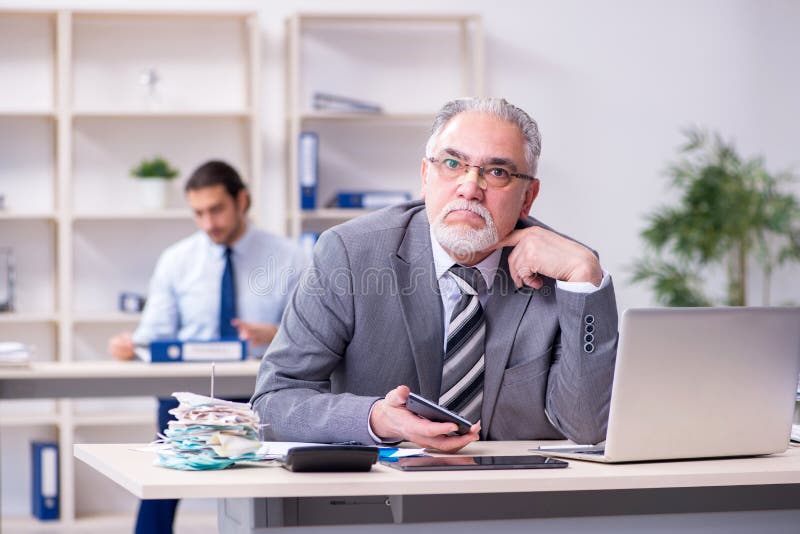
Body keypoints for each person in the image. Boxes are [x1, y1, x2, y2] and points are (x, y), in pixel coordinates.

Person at [252, 97, 618, 454]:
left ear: (528, 197)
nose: (470, 187)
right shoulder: (349, 254)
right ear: (426, 176)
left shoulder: (566, 272)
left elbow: (587, 427)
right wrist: (378, 418)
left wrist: (585, 278)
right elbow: (274, 401)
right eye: (452, 163)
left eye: (497, 172)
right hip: (378, 499)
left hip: (520, 500)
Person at [108, 160, 307, 534]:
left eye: (216, 210)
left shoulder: (290, 257)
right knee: (160, 483)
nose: (208, 223)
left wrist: (273, 334)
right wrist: (130, 345)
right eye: (198, 213)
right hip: (190, 397)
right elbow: (153, 334)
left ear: (241, 200)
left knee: (268, 487)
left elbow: (312, 335)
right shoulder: (177, 260)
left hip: (259, 392)